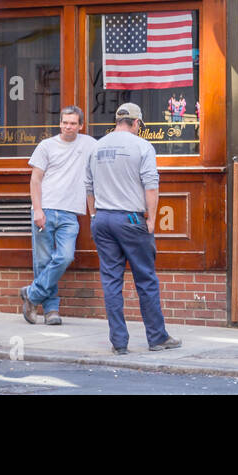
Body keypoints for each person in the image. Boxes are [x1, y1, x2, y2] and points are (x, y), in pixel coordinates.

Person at [86, 102, 181, 354]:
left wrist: (95, 215)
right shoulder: (142, 146)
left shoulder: (96, 147)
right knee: (146, 279)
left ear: (117, 121)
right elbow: (151, 185)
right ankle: (157, 337)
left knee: (111, 281)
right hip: (130, 219)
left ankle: (118, 342)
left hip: (103, 219)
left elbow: (88, 186)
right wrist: (151, 218)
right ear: (137, 123)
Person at [18, 105, 97, 326]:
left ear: (81, 125)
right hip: (46, 209)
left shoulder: (89, 144)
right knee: (43, 262)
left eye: (73, 123)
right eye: (65, 122)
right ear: (60, 123)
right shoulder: (46, 146)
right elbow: (35, 180)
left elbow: (103, 161)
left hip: (71, 214)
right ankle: (51, 311)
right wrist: (37, 209)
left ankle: (31, 294)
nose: (68, 127)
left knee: (64, 257)